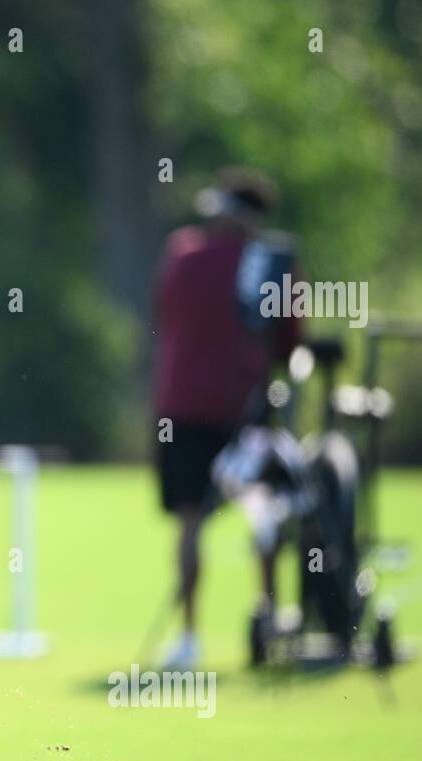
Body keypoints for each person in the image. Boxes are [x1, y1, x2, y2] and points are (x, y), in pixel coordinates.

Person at [150, 167, 302, 669]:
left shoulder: (182, 253)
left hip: (181, 407)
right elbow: (289, 340)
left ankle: (190, 637)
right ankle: (270, 614)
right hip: (246, 407)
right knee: (265, 507)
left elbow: (165, 316)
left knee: (192, 519)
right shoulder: (274, 262)